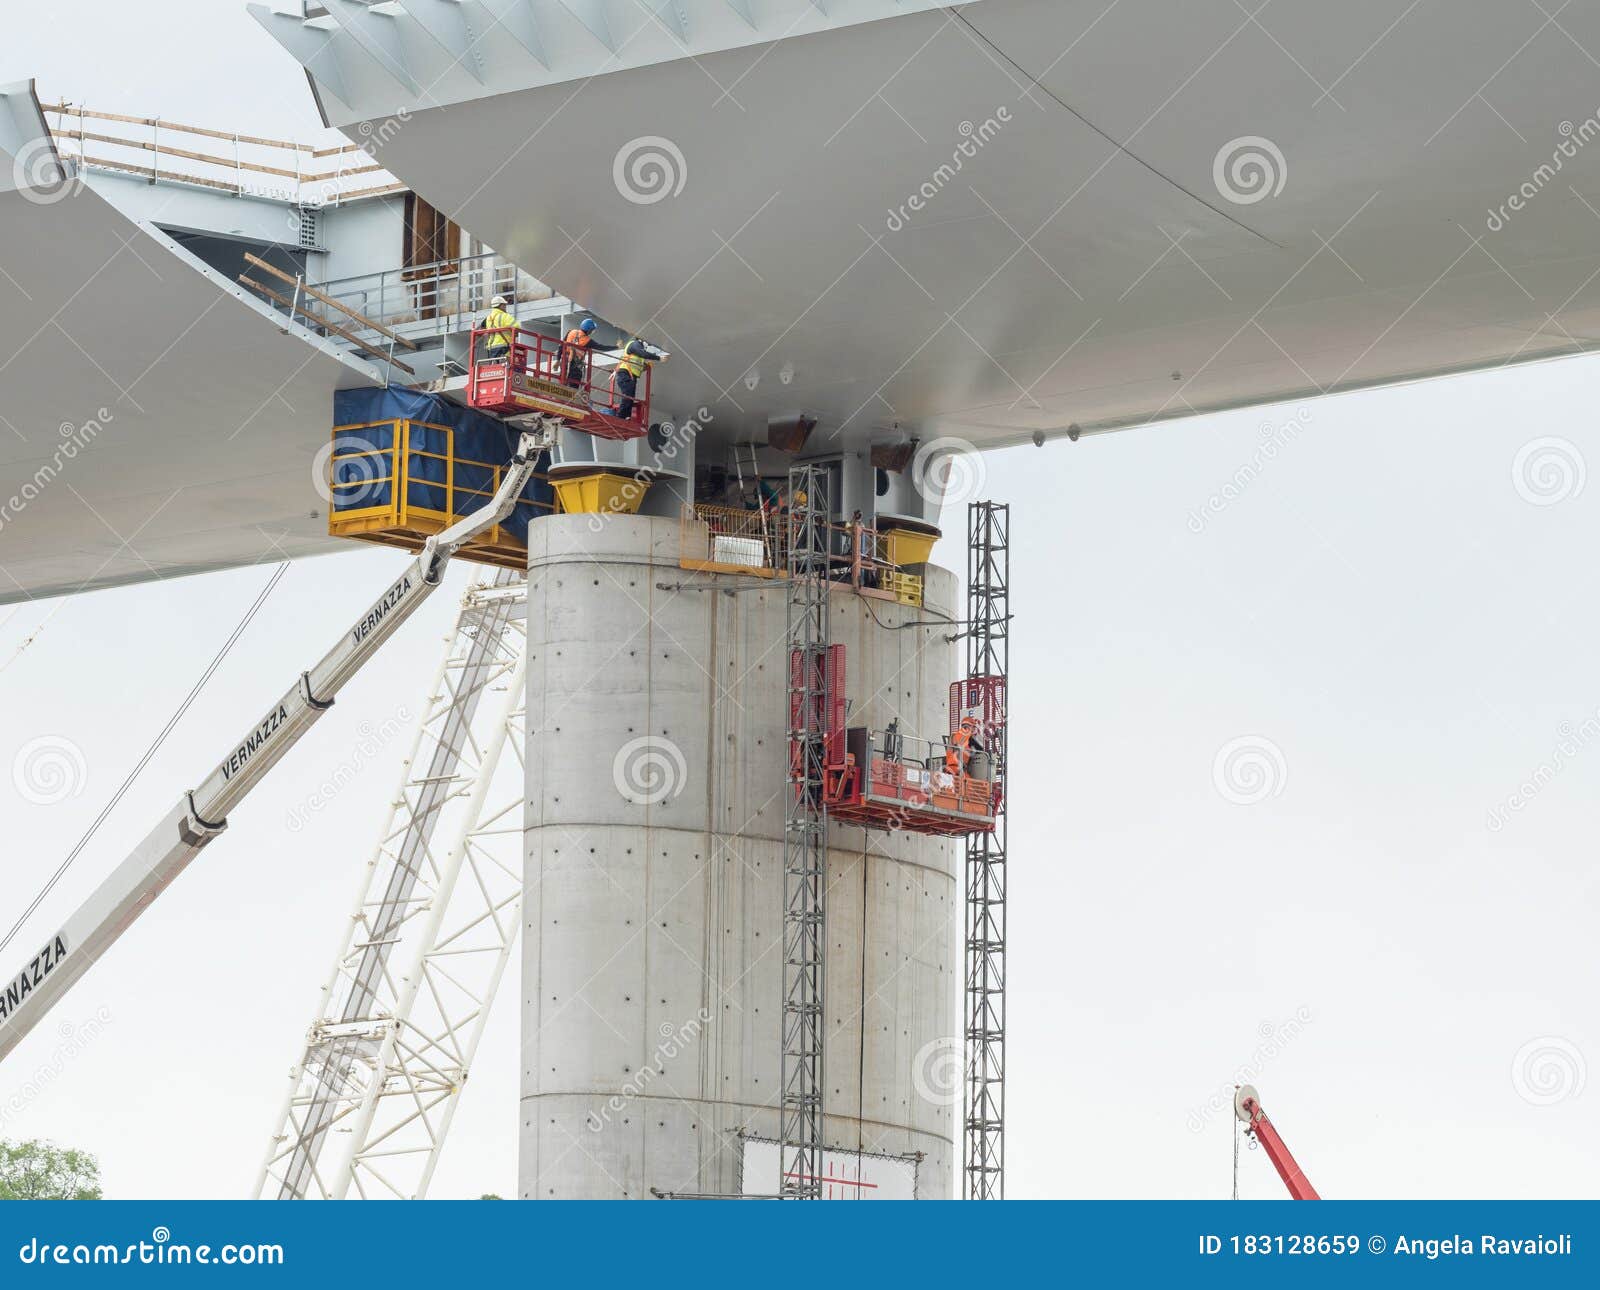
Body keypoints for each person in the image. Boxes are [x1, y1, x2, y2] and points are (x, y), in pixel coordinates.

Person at [610, 336, 670, 421]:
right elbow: (643, 353)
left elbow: (637, 365)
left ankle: (626, 417)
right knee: (628, 395)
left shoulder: (637, 351)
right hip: (625, 373)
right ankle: (620, 417)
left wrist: (646, 366)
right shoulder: (635, 344)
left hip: (630, 376)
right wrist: (658, 358)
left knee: (630, 397)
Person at [562, 318, 599, 389]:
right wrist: (616, 346)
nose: (592, 332)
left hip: (565, 361)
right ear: (588, 330)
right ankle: (571, 398)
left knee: (563, 381)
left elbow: (562, 344)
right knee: (574, 385)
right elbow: (601, 347)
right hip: (576, 366)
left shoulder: (572, 332)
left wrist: (557, 360)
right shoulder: (587, 340)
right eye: (592, 330)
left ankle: (563, 396)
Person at [480, 294, 518, 362]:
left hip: (491, 347)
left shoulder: (489, 318)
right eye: (504, 305)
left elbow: (482, 327)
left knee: (494, 367)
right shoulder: (505, 316)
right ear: (501, 305)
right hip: (504, 345)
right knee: (507, 366)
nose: (505, 307)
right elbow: (517, 328)